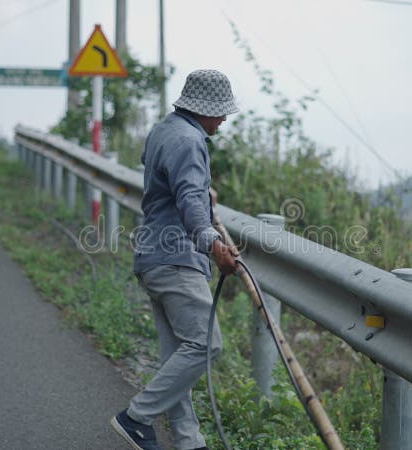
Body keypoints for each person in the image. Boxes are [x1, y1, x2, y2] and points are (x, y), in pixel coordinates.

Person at [111, 69, 240, 450]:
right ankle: (136, 418)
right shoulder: (189, 140)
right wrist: (216, 248)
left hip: (152, 257)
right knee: (205, 344)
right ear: (204, 110)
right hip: (175, 258)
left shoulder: (164, 131)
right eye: (220, 112)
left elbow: (171, 179)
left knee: (176, 360)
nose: (224, 119)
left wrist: (203, 189)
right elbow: (187, 201)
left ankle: (189, 441)